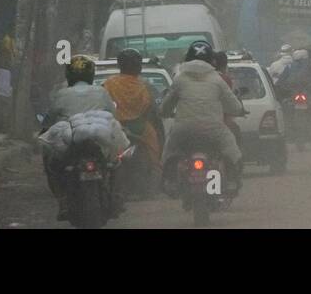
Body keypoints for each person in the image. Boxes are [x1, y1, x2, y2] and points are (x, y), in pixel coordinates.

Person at [158, 40, 244, 192]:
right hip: (214, 129)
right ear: (212, 60)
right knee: (232, 149)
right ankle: (231, 180)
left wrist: (164, 113)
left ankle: (169, 180)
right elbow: (235, 106)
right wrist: (239, 110)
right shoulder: (217, 79)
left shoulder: (180, 79)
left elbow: (166, 106)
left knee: (169, 151)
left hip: (183, 130)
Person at [42, 55, 119, 220]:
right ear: (90, 75)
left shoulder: (61, 94)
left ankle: (63, 201)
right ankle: (115, 197)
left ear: (69, 75)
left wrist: (45, 130)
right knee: (115, 163)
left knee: (52, 163)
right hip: (97, 142)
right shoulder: (102, 91)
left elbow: (49, 119)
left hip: (71, 142)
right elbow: (113, 116)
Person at [102, 49, 162, 196]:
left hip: (116, 128)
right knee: (156, 150)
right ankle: (157, 184)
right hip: (140, 128)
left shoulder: (108, 84)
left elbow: (103, 107)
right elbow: (152, 110)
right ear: (139, 67)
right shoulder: (145, 86)